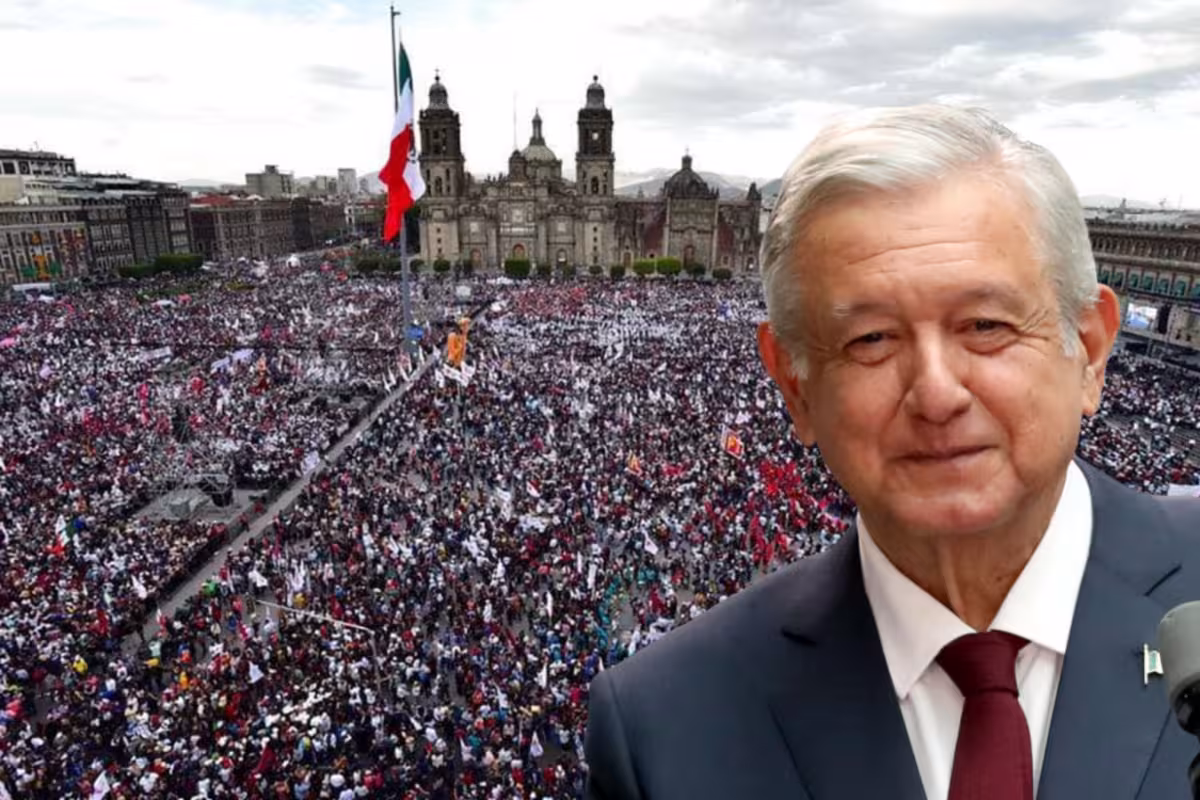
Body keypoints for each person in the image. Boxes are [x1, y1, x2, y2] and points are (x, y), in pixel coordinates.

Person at [583, 105, 1200, 800]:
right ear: (795, 386)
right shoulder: (663, 731)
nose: (936, 394)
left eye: (985, 325)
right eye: (871, 339)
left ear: (1088, 350)